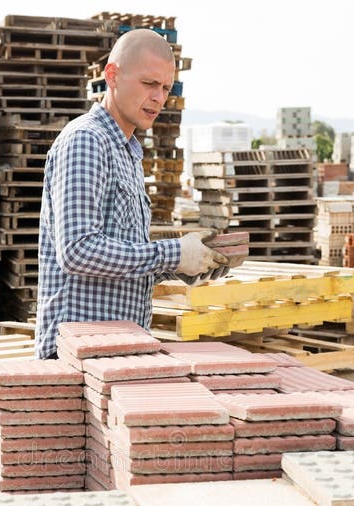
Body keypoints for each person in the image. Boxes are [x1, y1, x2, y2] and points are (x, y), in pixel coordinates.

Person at [35, 27, 227, 359]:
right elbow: (78, 250)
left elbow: (124, 256)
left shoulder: (128, 151)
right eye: (149, 83)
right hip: (76, 356)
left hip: (117, 349)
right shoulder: (86, 141)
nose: (159, 97)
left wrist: (187, 263)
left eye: (166, 88)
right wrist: (171, 253)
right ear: (113, 76)